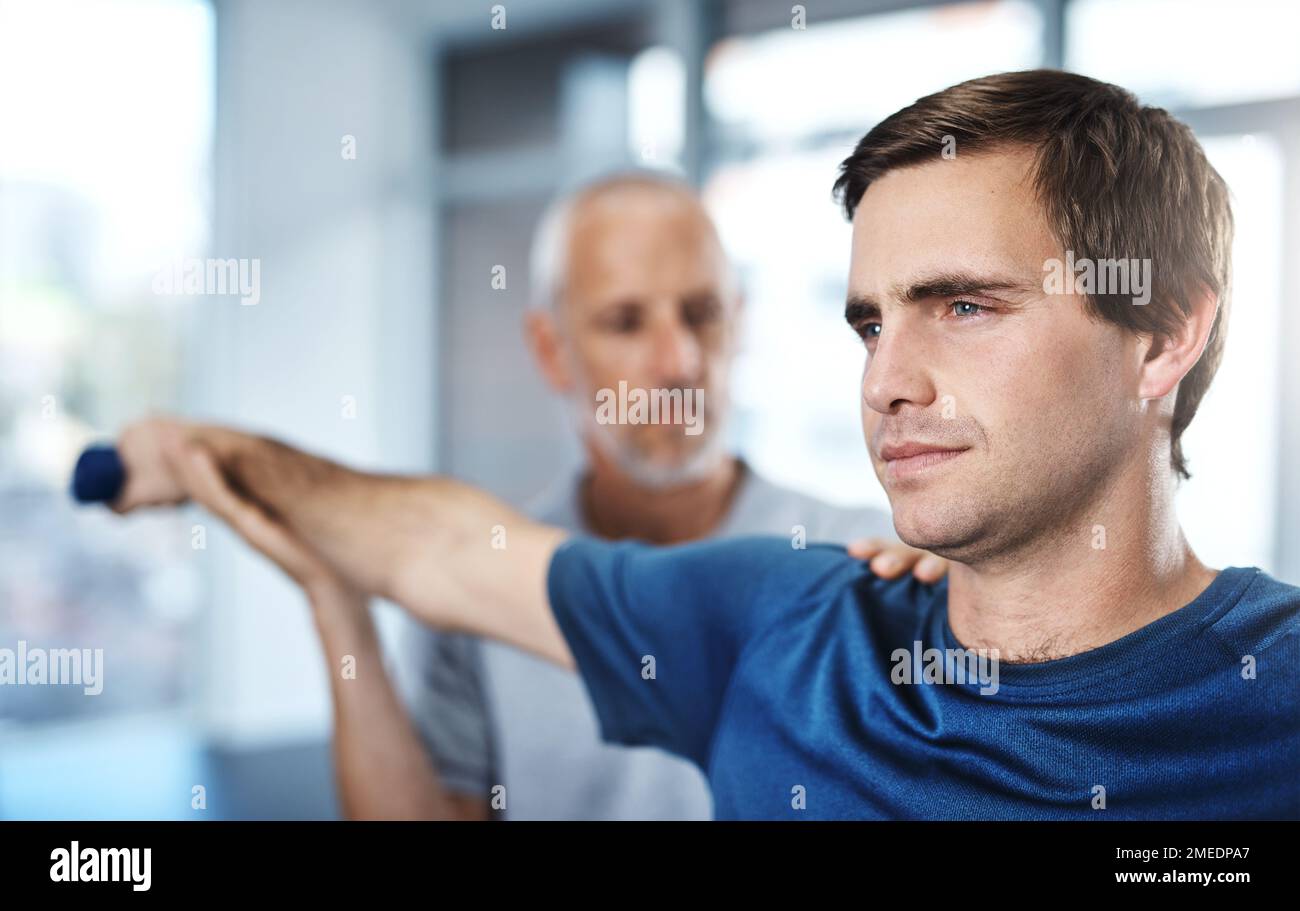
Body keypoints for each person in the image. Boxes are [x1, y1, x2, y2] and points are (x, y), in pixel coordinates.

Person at [110, 70, 1299, 819]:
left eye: (965, 305)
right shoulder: (785, 616)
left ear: (1162, 336)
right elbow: (438, 549)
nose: (885, 380)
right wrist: (212, 453)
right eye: (869, 322)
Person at [396, 173, 945, 820]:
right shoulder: (483, 586)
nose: (680, 360)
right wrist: (334, 592)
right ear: (552, 350)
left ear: (738, 322)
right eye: (626, 322)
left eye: (702, 313)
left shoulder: (873, 559)